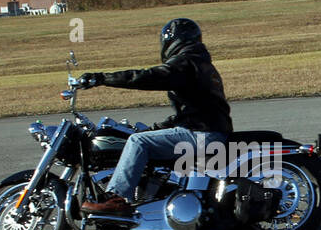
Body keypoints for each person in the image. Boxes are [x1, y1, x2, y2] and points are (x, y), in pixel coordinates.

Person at [78, 18, 233, 215]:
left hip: (204, 135)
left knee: (138, 141)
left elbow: (150, 76)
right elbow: (194, 111)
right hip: (205, 130)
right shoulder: (198, 63)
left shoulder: (185, 63)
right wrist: (155, 128)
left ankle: (115, 199)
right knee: (142, 136)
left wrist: (103, 78)